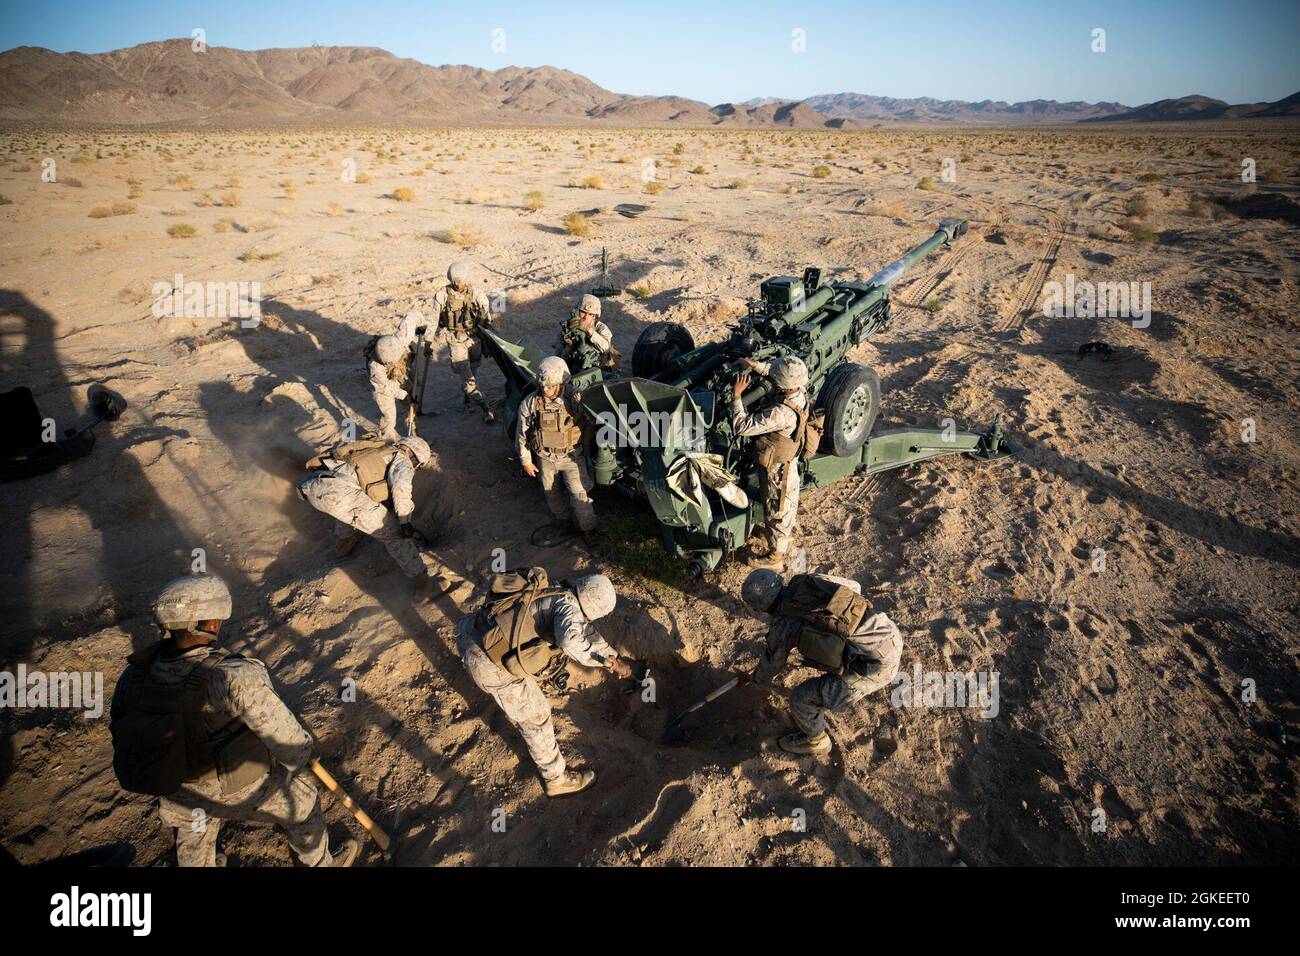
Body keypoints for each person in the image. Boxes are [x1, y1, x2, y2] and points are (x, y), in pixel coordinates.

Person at [109, 573, 359, 867]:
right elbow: (288, 742)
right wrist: (303, 755)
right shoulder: (233, 675)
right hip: (235, 788)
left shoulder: (133, 674)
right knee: (304, 803)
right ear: (212, 624)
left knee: (194, 826)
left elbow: (119, 725)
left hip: (176, 787)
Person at [455, 568, 631, 796]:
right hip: (486, 665)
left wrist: (614, 656)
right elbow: (570, 640)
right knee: (537, 717)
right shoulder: (570, 610)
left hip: (468, 629)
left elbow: (586, 632)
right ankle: (556, 779)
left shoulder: (560, 590)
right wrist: (607, 664)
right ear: (594, 610)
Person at [741, 568, 902, 756]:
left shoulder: (783, 625)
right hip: (889, 632)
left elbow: (773, 664)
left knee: (801, 699)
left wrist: (755, 678)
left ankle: (816, 740)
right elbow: (854, 587)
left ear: (760, 607)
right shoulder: (810, 581)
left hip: (874, 667)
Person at [298, 434, 442, 579]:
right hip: (340, 493)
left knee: (349, 507)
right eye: (418, 465)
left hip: (313, 486)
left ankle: (345, 542)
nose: (416, 468)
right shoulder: (402, 459)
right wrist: (405, 523)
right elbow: (401, 488)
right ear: (414, 455)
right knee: (394, 534)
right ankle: (424, 583)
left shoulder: (378, 450)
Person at [731, 355, 812, 569]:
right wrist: (755, 366)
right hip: (784, 461)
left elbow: (742, 427)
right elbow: (777, 373)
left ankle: (775, 557)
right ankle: (773, 535)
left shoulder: (780, 413)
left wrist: (736, 397)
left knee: (777, 509)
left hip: (778, 469)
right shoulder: (800, 389)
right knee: (775, 505)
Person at [516, 356, 597, 542]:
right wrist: (526, 461)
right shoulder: (531, 402)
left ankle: (589, 531)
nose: (545, 390)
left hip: (571, 456)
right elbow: (522, 433)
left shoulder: (574, 397)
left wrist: (583, 404)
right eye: (543, 385)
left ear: (561, 383)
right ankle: (563, 523)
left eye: (551, 386)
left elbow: (592, 420)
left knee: (580, 496)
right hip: (545, 457)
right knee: (552, 494)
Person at [431, 261, 494, 420]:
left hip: (474, 338)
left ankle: (467, 398)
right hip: (455, 339)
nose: (458, 284)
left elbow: (487, 315)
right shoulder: (442, 295)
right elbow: (433, 320)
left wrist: (485, 320)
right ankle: (485, 407)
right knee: (467, 376)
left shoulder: (477, 294)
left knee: (473, 371)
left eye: (461, 281)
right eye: (455, 281)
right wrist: (427, 342)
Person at [368, 311, 425, 442]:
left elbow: (411, 316)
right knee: (389, 415)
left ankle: (414, 434)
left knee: (411, 404)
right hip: (384, 386)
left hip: (401, 373)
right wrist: (404, 394)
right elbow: (385, 388)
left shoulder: (401, 339)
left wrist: (422, 323)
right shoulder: (376, 367)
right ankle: (389, 441)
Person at [558, 293, 617, 373]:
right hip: (573, 366)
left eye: (590, 314)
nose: (585, 317)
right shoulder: (569, 328)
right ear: (577, 311)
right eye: (583, 312)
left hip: (597, 366)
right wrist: (569, 346)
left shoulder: (600, 328)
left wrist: (590, 331)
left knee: (611, 352)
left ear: (594, 316)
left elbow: (606, 347)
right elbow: (558, 357)